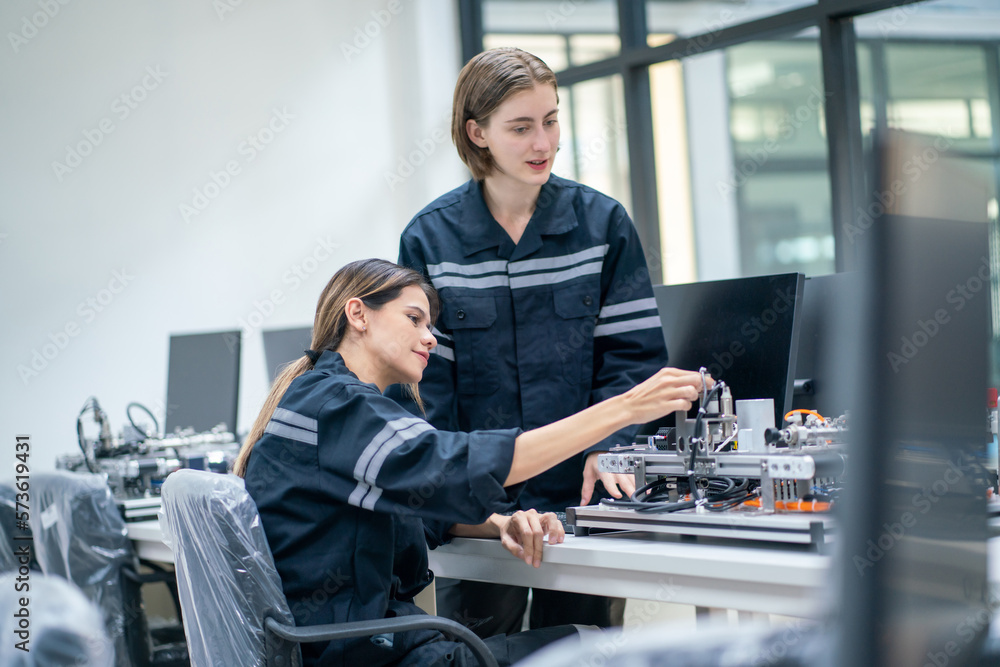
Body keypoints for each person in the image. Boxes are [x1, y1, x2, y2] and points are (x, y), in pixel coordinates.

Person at [235, 258, 707, 667]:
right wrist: (625, 408)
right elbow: (457, 463)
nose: (430, 338)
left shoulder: (320, 396)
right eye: (415, 319)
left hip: (352, 646)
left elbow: (412, 502)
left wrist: (496, 521)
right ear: (358, 313)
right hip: (366, 653)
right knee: (600, 648)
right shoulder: (339, 405)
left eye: (431, 326)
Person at [394, 47, 669, 635]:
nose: (543, 142)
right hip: (480, 514)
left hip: (585, 502)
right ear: (478, 133)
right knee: (477, 653)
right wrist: (473, 506)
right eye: (521, 127)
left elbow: (634, 360)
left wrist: (612, 445)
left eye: (551, 120)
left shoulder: (604, 226)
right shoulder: (428, 240)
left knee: (585, 651)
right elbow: (424, 389)